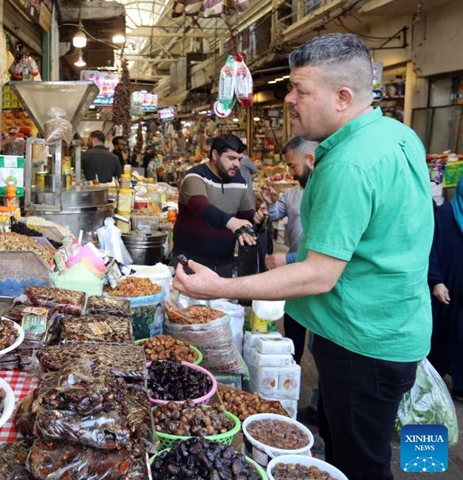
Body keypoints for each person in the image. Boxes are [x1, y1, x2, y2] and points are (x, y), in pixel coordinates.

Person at [172, 33, 432, 480]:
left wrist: (220, 288)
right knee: (356, 446)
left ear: (342, 97)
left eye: (301, 90)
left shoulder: (348, 164)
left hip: (362, 342)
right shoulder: (396, 133)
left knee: (363, 463)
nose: (289, 98)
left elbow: (318, 275)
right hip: (396, 327)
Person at [172, 133, 262, 278]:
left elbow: (245, 216)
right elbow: (201, 208)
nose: (237, 164)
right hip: (190, 263)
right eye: (231, 158)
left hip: (224, 264)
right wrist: (232, 223)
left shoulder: (239, 181)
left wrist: (258, 217)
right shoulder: (195, 177)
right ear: (215, 155)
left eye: (239, 159)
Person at [262, 136, 318, 364]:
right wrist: (271, 203)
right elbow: (276, 215)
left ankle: (318, 394)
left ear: (310, 160)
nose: (290, 172)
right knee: (293, 328)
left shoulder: (328, 193)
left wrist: (287, 258)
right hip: (296, 273)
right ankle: (293, 371)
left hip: (317, 272)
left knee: (318, 339)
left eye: (293, 165)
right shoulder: (293, 193)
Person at [427, 180, 463, 401]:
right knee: (439, 337)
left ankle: (460, 385)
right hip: (445, 290)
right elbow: (430, 250)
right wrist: (436, 281)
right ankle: (433, 385)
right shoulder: (445, 214)